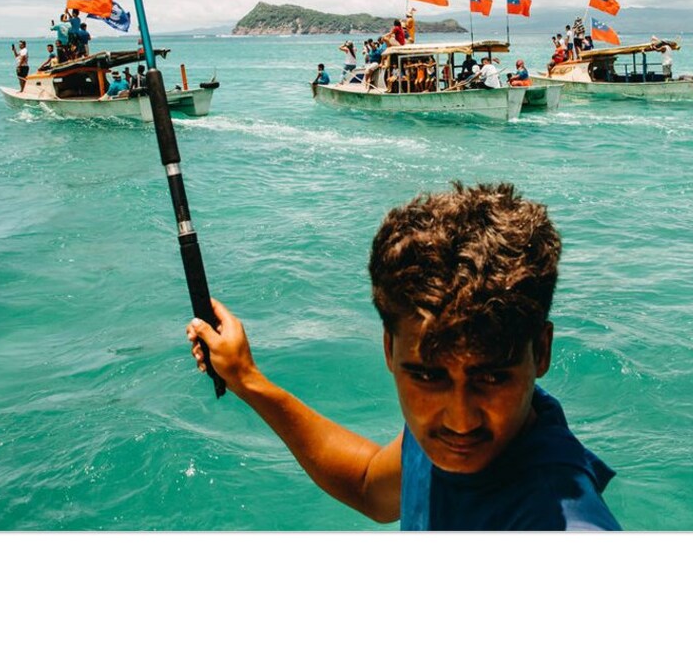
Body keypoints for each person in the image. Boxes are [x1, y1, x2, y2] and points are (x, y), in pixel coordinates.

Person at [185, 182, 621, 531]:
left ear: (541, 351)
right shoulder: (449, 436)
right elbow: (370, 486)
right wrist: (247, 379)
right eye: (428, 377)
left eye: (490, 378)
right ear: (390, 349)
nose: (460, 420)